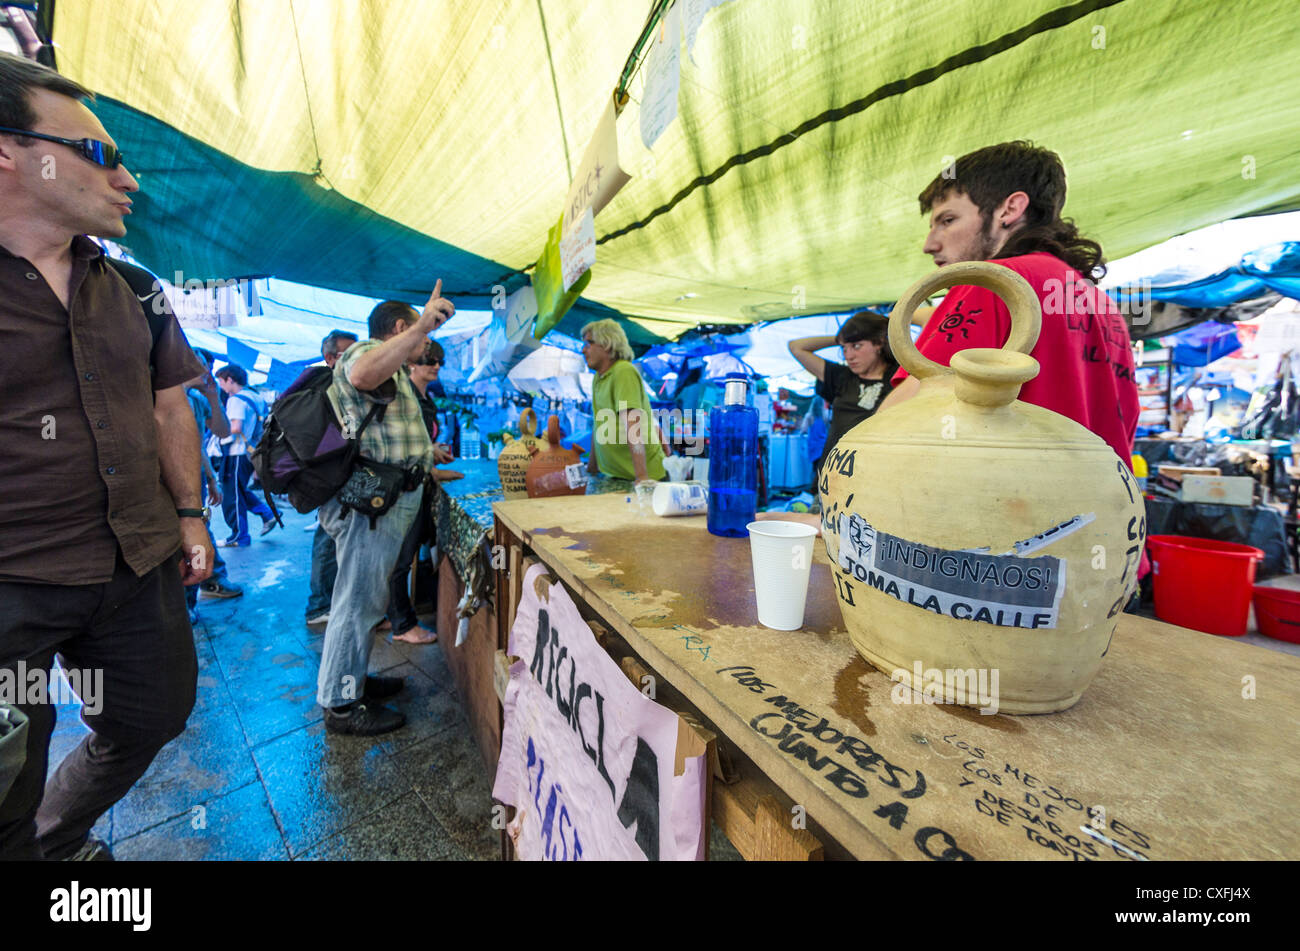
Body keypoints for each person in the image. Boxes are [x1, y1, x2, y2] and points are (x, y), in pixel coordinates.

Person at [0, 52, 208, 860]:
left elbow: (168, 405)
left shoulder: (138, 289)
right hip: (13, 581)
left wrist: (191, 515)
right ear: (12, 151)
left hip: (137, 563)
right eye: (100, 153)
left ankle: (58, 834)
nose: (126, 180)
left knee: (155, 711)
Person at [879, 141, 1138, 464]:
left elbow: (901, 420)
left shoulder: (995, 282)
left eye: (947, 220)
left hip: (1013, 508)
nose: (929, 244)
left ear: (1010, 209)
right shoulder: (1103, 307)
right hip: (1110, 507)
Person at [317, 291, 453, 735]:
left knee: (366, 598)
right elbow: (359, 376)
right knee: (357, 603)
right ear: (399, 328)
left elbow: (393, 434)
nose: (425, 347)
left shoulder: (390, 364)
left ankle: (352, 680)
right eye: (416, 332)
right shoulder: (368, 352)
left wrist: (427, 457)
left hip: (389, 500)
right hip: (372, 505)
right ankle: (340, 705)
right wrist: (422, 326)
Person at [386, 337, 459, 645]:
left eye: (439, 361)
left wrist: (433, 456)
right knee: (399, 559)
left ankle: (395, 614)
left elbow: (420, 446)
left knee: (407, 555)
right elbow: (403, 446)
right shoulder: (404, 398)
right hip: (402, 489)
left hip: (418, 484)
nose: (436, 366)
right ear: (410, 362)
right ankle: (403, 624)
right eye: (429, 360)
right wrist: (433, 462)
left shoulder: (423, 399)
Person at [788, 311, 899, 466]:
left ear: (879, 342)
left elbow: (932, 320)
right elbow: (796, 347)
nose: (849, 355)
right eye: (844, 348)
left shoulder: (900, 377)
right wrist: (841, 338)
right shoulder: (842, 376)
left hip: (876, 472)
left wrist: (890, 321)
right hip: (832, 474)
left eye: (856, 346)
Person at [305, 329, 358, 628]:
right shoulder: (329, 387)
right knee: (328, 538)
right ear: (330, 358)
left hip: (332, 470)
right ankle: (319, 607)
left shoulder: (334, 385)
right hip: (332, 473)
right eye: (349, 354)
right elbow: (344, 433)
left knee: (330, 537)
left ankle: (325, 603)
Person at [184, 363, 244, 621]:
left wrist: (210, 479)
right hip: (170, 483)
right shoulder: (157, 397)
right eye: (197, 365)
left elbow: (217, 432)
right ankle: (187, 600)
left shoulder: (197, 399)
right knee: (188, 537)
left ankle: (204, 586)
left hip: (194, 479)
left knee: (200, 531)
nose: (205, 372)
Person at [582, 319, 666, 483]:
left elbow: (633, 425)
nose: (583, 350)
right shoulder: (598, 378)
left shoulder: (623, 371)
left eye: (589, 343)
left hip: (643, 477)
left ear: (607, 343)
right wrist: (591, 470)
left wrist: (641, 477)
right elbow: (599, 426)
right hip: (615, 475)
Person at [214, 363, 277, 546]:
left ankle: (238, 536)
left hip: (236, 453)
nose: (221, 386)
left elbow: (235, 428)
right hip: (251, 453)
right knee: (238, 490)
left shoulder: (236, 400)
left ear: (230, 380)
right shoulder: (255, 397)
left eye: (221, 381)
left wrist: (218, 432)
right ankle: (267, 514)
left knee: (231, 496)